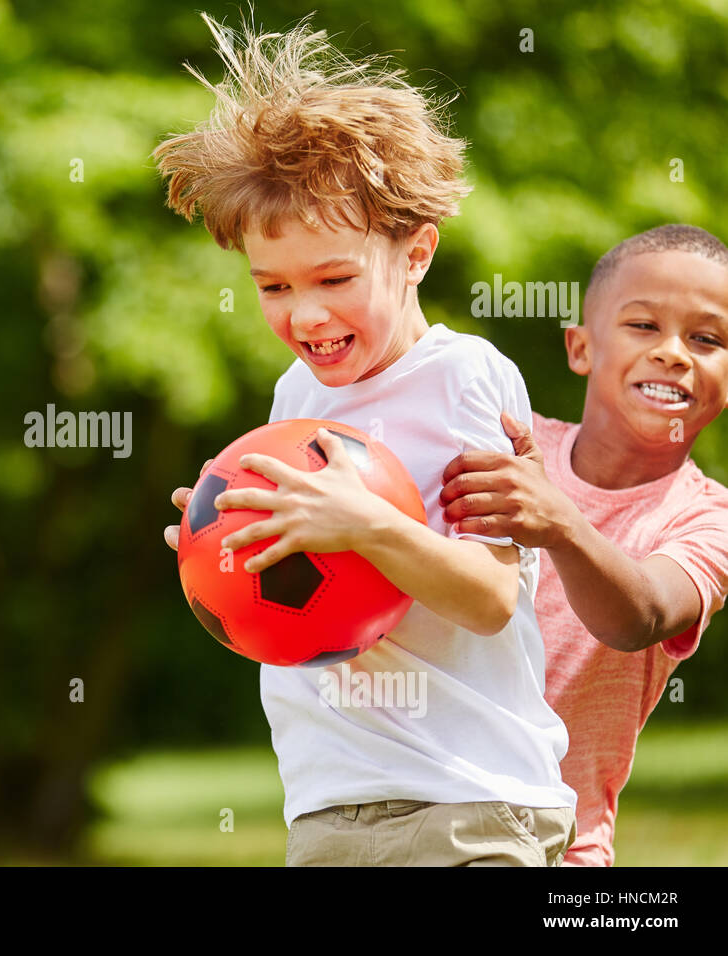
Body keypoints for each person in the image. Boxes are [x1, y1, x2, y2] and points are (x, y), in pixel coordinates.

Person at [154, 11, 575, 865]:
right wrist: (230, 548)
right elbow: (322, 609)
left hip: (468, 801)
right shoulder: (294, 395)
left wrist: (366, 526)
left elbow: (491, 600)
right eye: (271, 286)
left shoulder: (466, 378)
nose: (304, 314)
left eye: (334, 278)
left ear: (416, 253)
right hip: (329, 803)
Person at [439, 224, 728, 865]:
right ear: (581, 347)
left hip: (556, 845)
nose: (674, 353)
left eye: (707, 339)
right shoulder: (505, 444)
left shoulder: (709, 519)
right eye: (644, 326)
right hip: (420, 812)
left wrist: (560, 525)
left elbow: (641, 616)